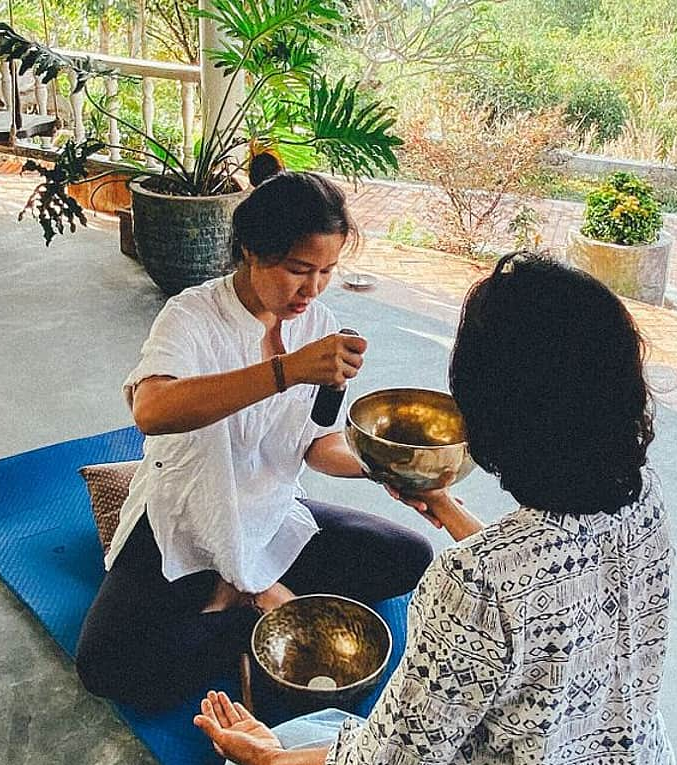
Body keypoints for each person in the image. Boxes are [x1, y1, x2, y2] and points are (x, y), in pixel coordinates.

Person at [196, 251, 676, 765]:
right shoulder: (644, 496)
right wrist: (447, 508)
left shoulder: (469, 582)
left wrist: (270, 759)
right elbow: (548, 585)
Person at [75, 172, 434, 712]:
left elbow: (316, 445)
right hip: (187, 519)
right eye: (296, 270)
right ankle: (251, 609)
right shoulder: (192, 316)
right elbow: (151, 411)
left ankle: (246, 591)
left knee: (408, 558)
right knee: (106, 666)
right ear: (250, 250)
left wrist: (384, 465)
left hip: (269, 512)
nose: (310, 290)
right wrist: (284, 371)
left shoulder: (321, 322)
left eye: (326, 272)